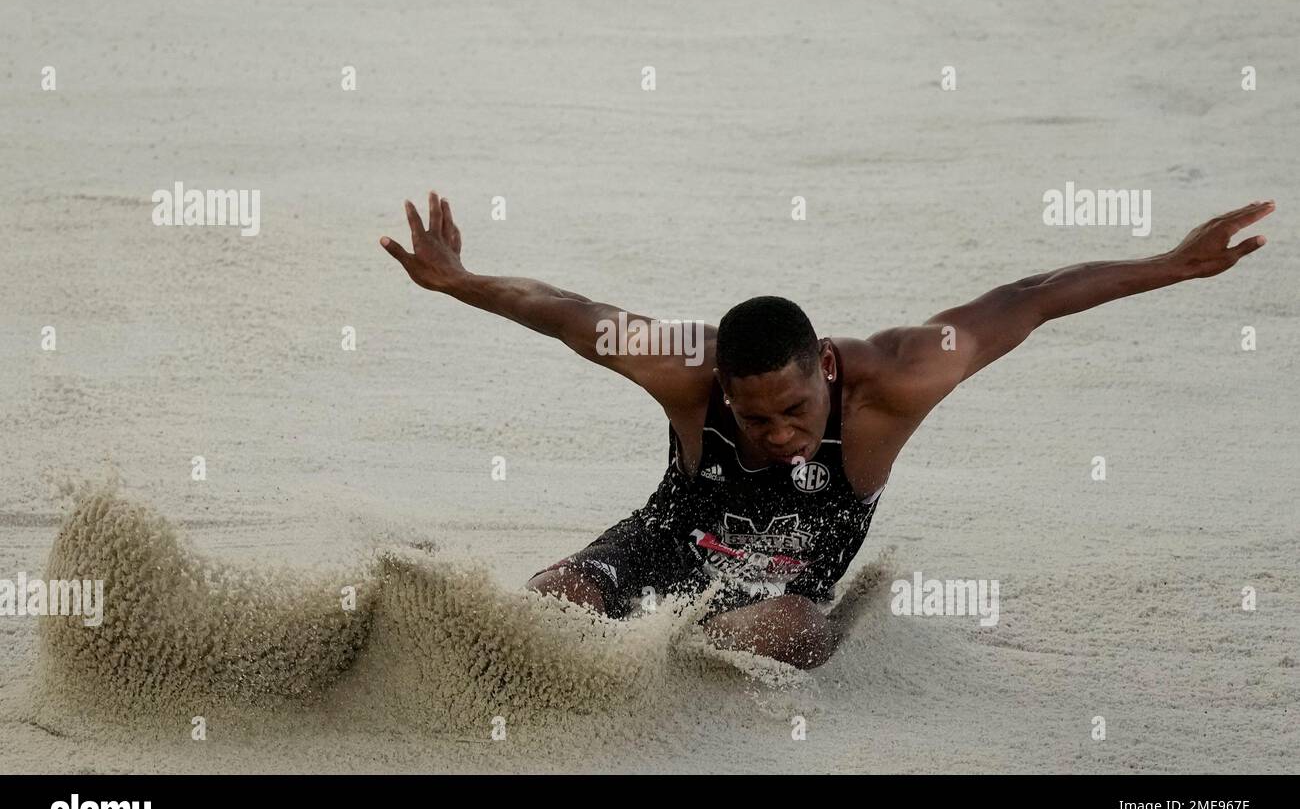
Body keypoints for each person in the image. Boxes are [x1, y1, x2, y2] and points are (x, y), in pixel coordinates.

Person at [381, 193, 1272, 668]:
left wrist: (1171, 266)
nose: (777, 435)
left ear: (827, 372)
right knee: (553, 603)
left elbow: (1028, 300)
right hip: (661, 546)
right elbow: (567, 312)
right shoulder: (682, 367)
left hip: (781, 596)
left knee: (783, 637)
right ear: (718, 386)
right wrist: (461, 280)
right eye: (753, 416)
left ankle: (663, 652)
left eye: (796, 413)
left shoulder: (897, 379)